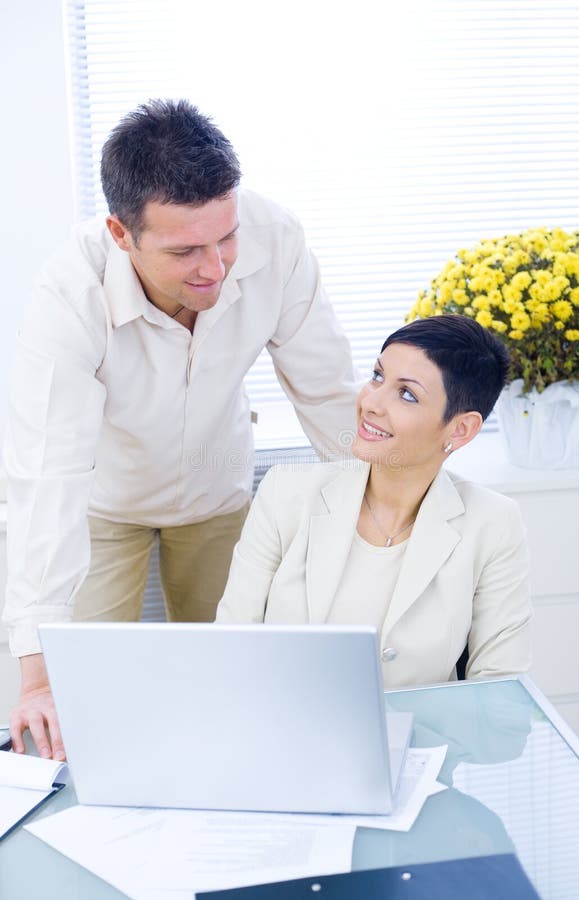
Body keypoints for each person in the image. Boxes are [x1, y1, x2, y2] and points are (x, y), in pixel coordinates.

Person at [3, 99, 358, 759]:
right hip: (100, 507)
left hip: (217, 495)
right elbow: (46, 476)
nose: (216, 267)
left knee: (237, 692)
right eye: (185, 250)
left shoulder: (275, 239)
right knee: (83, 705)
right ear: (120, 232)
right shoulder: (68, 295)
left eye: (225, 237)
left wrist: (394, 515)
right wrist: (37, 677)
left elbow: (329, 395)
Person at [217, 314, 532, 686]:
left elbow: (500, 685)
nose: (371, 403)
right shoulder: (286, 492)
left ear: (460, 429)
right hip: (283, 732)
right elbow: (231, 648)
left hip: (423, 738)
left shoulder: (493, 524)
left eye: (407, 394)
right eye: (377, 376)